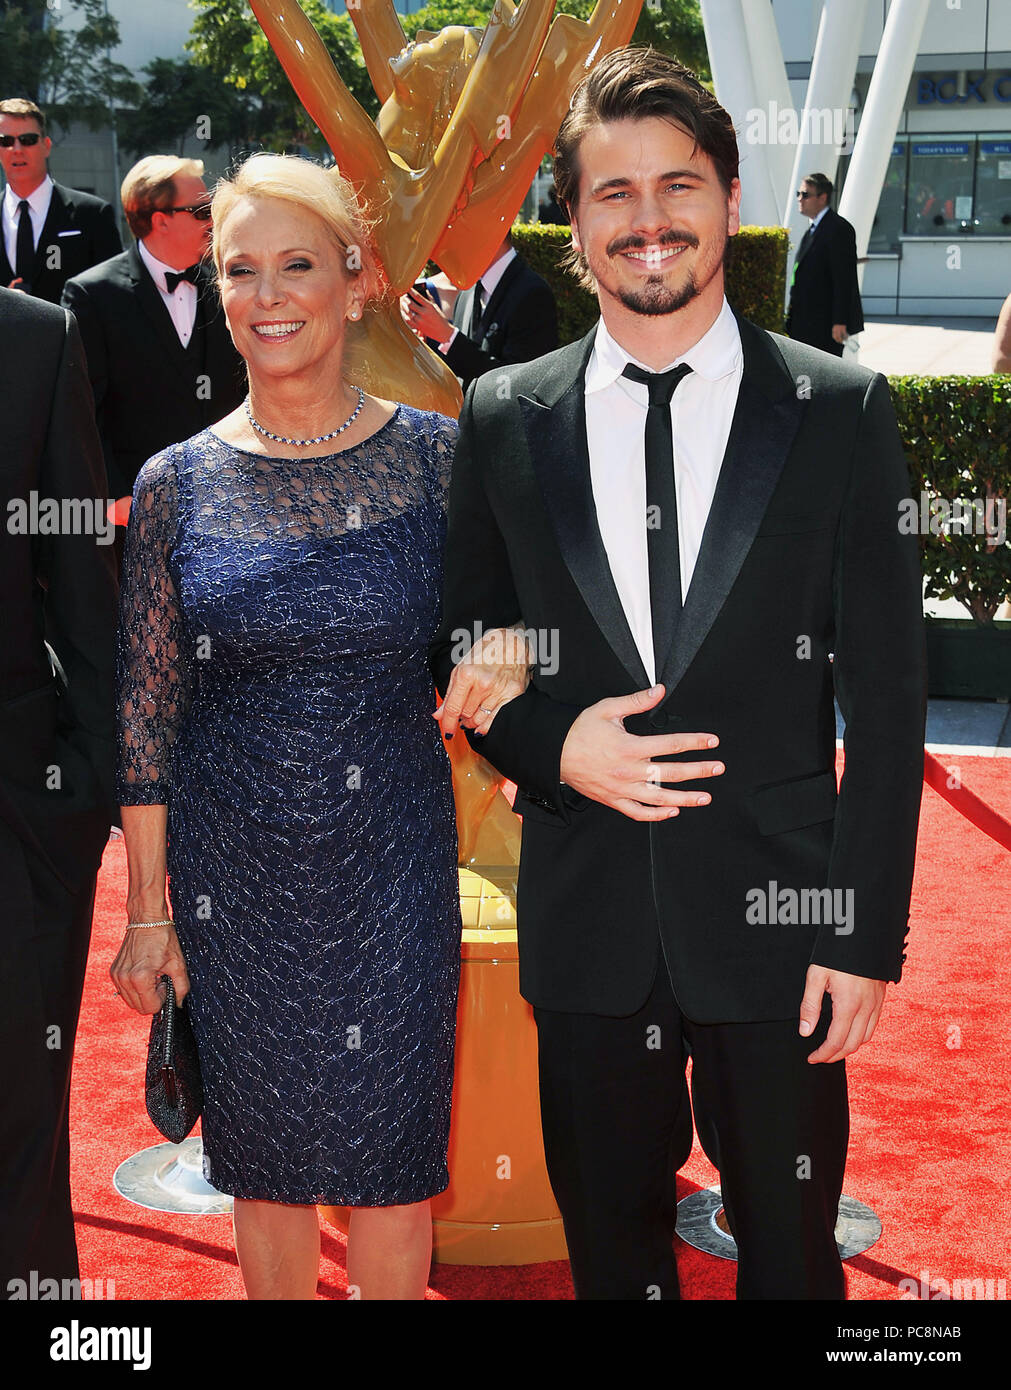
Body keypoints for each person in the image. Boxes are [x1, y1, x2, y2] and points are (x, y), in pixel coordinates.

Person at [432, 48, 927, 1300]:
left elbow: (889, 690)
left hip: (785, 933)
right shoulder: (503, 413)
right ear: (576, 223)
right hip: (589, 926)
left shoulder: (840, 408)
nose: (649, 220)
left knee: (792, 1266)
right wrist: (556, 745)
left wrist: (863, 931)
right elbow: (462, 643)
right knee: (615, 1264)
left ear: (730, 199)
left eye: (678, 185)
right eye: (614, 193)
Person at [109, 152, 528, 1301]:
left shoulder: (441, 460)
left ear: (357, 283)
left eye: (299, 264)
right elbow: (145, 718)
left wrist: (519, 643)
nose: (270, 294)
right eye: (242, 269)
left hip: (390, 867)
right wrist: (149, 913)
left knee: (394, 1170)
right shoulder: (173, 486)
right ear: (220, 293)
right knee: (266, 1171)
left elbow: (519, 617)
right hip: (230, 883)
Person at [0, 287, 118, 1292]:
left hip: (18, 806)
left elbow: (83, 580)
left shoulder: (33, 337)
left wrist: (84, 795)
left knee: (19, 1116)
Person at [61, 156, 246, 569]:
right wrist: (114, 497)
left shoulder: (229, 285)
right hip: (135, 516)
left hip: (228, 507)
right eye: (201, 210)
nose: (214, 220)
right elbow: (79, 409)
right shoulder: (91, 295)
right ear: (160, 220)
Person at [401, 231, 558, 389]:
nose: (446, 245)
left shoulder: (533, 293)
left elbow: (519, 386)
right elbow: (462, 375)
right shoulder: (467, 291)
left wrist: (448, 337)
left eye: (457, 229)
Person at [0, 98, 122, 302]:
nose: (17, 149)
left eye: (28, 139)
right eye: (6, 141)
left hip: (73, 333)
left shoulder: (92, 215)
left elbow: (114, 294)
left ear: (46, 146)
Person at [786, 172, 864, 357]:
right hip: (805, 323)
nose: (800, 199)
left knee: (824, 379)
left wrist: (840, 321)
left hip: (825, 326)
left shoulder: (838, 229)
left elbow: (843, 279)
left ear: (822, 198)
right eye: (799, 193)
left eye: (805, 194)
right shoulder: (812, 230)